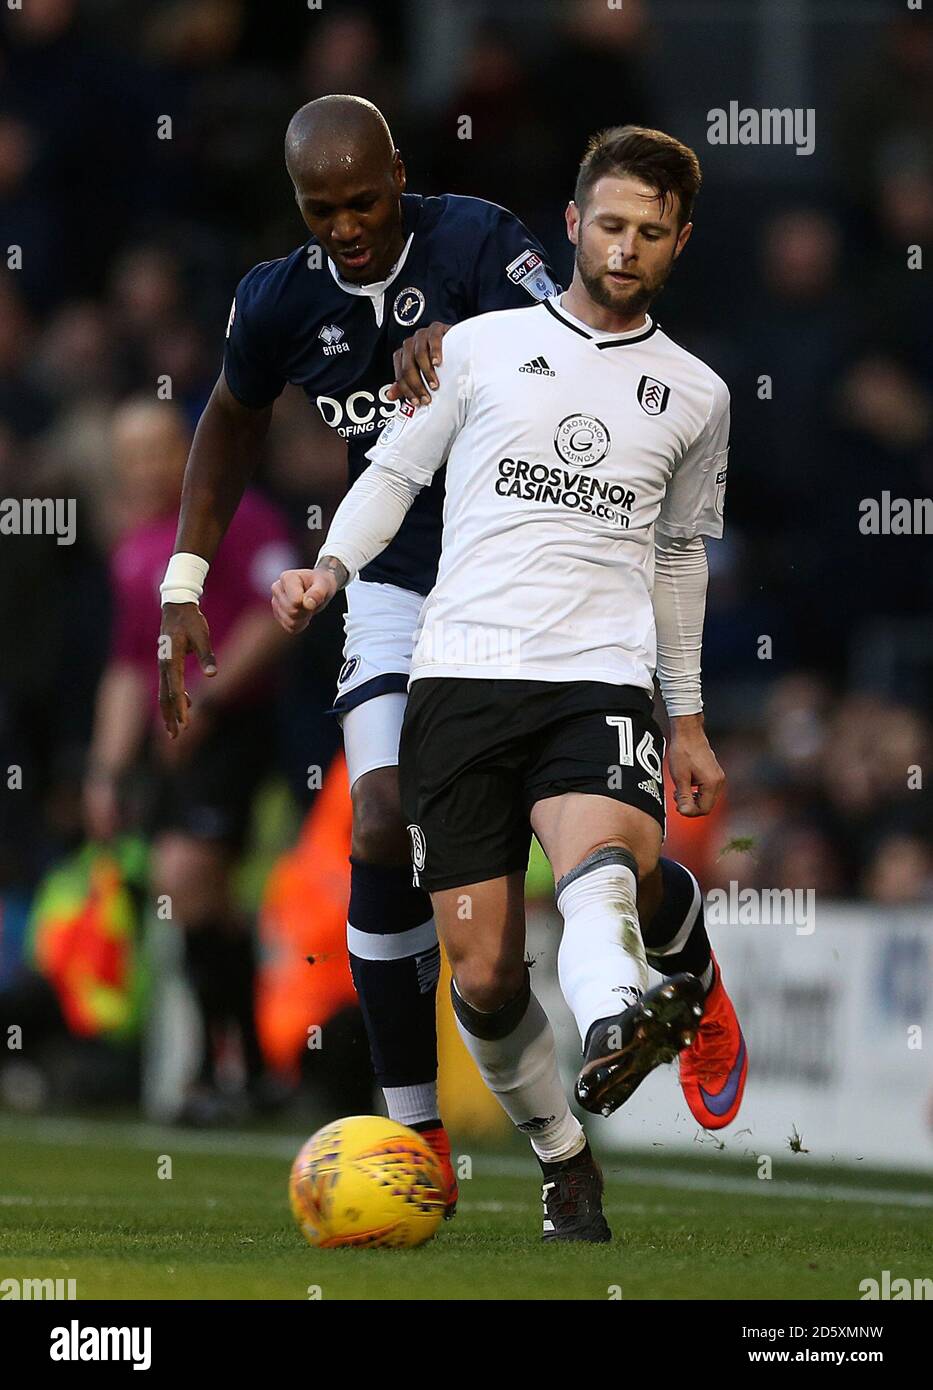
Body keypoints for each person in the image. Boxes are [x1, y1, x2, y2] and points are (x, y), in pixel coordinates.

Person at [271, 126, 748, 1241]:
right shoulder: (474, 348)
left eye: (652, 233)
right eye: (612, 225)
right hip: (461, 678)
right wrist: (330, 567)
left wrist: (688, 716)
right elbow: (393, 474)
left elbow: (681, 556)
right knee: (483, 977)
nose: (627, 249)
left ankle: (624, 1018)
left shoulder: (698, 394)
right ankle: (564, 1157)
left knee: (598, 880)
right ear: (574, 225)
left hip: (599, 678)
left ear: (680, 243)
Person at [157, 95, 561, 1209]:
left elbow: (573, 340)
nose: (345, 226)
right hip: (386, 582)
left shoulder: (479, 239)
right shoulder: (279, 299)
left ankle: (651, 988)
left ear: (400, 171)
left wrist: (476, 342)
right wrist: (183, 583)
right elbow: (230, 420)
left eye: (364, 199)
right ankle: (414, 1133)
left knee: (555, 866)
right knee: (379, 824)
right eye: (320, 208)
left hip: (521, 585)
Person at [85, 398, 295, 1123]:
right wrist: (106, 770)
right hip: (172, 739)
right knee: (202, 901)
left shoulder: (233, 516)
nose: (142, 466)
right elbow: (123, 669)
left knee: (185, 877)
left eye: (155, 449)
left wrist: (208, 698)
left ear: (185, 450)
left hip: (234, 729)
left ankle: (216, 1069)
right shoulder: (132, 548)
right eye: (129, 454)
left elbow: (275, 612)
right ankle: (253, 1070)